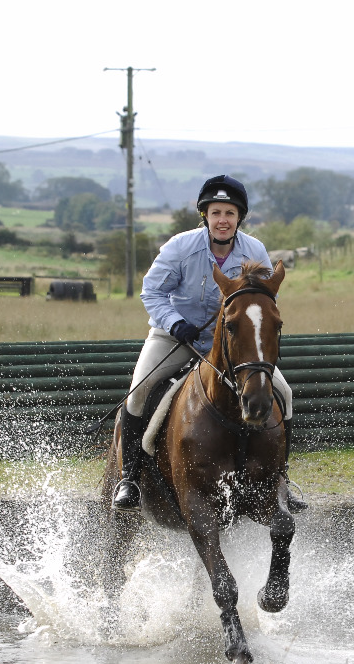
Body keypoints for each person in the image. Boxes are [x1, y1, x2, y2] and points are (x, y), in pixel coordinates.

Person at [111, 174, 302, 512]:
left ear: (238, 217)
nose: (222, 220)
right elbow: (151, 292)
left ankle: (282, 480)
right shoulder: (180, 247)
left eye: (229, 213)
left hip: (232, 345)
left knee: (284, 394)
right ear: (205, 216)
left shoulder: (254, 250)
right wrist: (174, 323)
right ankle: (130, 477)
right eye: (215, 213)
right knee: (140, 391)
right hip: (176, 337)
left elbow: (259, 300)